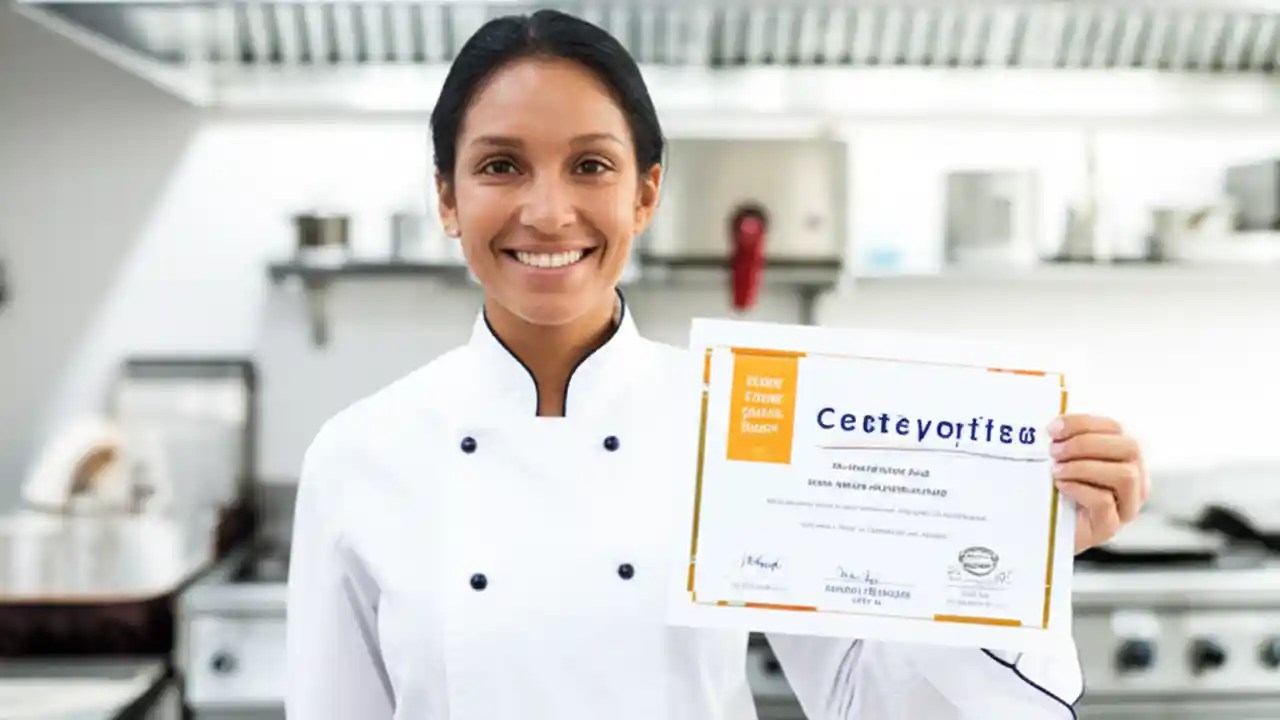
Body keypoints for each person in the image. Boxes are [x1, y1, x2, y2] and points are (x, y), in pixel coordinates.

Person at [284, 9, 1149, 719]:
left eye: (591, 165)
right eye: (501, 166)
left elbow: (867, 701)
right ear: (447, 196)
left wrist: (1013, 545)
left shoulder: (737, 422)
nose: (548, 212)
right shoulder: (359, 456)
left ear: (645, 193)